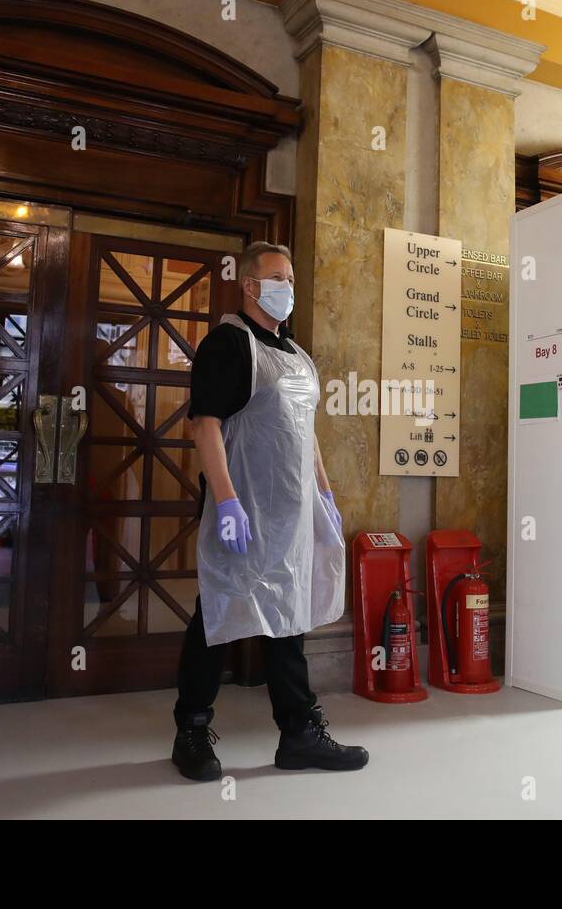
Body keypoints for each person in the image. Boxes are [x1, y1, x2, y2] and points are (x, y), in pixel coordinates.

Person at [172, 241, 368, 781]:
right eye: (277, 277)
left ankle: (299, 734)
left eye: (291, 277)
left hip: (292, 511)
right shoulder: (228, 346)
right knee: (218, 614)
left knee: (287, 616)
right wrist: (227, 498)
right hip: (245, 508)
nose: (288, 287)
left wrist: (324, 494)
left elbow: (307, 435)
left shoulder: (295, 354)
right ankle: (191, 729)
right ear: (251, 286)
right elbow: (204, 425)